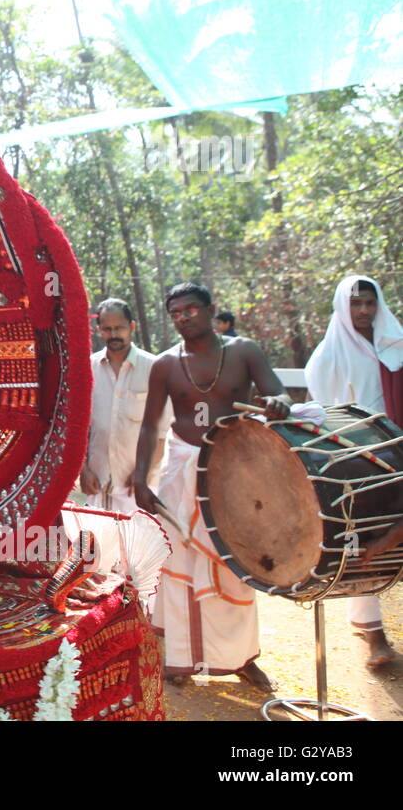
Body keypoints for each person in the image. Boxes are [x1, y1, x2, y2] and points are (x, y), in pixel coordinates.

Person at [132, 282, 291, 692]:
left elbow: (277, 392)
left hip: (234, 471)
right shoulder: (166, 364)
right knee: (178, 562)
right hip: (180, 467)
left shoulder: (244, 352)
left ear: (210, 308)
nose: (183, 317)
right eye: (176, 313)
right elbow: (151, 424)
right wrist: (141, 479)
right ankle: (182, 658)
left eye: (191, 309)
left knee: (235, 564)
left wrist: (279, 403)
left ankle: (242, 658)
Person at [305, 275, 403, 667]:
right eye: (356, 304)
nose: (364, 311)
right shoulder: (327, 356)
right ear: (342, 308)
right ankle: (372, 631)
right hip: (361, 457)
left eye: (370, 303)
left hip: (401, 447)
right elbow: (324, 414)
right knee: (365, 541)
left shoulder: (396, 345)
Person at [79, 298, 172, 513]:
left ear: (131, 327)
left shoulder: (154, 368)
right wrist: (83, 470)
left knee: (138, 545)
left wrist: (142, 476)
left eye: (119, 328)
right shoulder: (88, 369)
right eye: (107, 329)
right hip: (97, 485)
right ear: (99, 330)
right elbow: (78, 428)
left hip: (138, 488)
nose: (113, 335)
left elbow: (162, 434)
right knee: (98, 546)